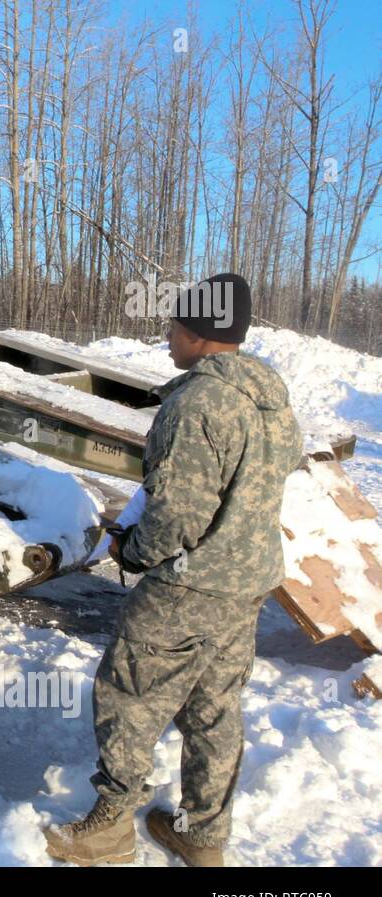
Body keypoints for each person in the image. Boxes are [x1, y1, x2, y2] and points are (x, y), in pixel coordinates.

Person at [44, 273, 303, 867]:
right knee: (213, 708)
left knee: (128, 694)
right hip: (246, 582)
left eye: (172, 326)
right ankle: (202, 836)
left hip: (189, 583)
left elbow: (178, 513)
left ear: (198, 333)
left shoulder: (196, 403)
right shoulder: (272, 397)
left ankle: (109, 829)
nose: (165, 338)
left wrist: (131, 551)